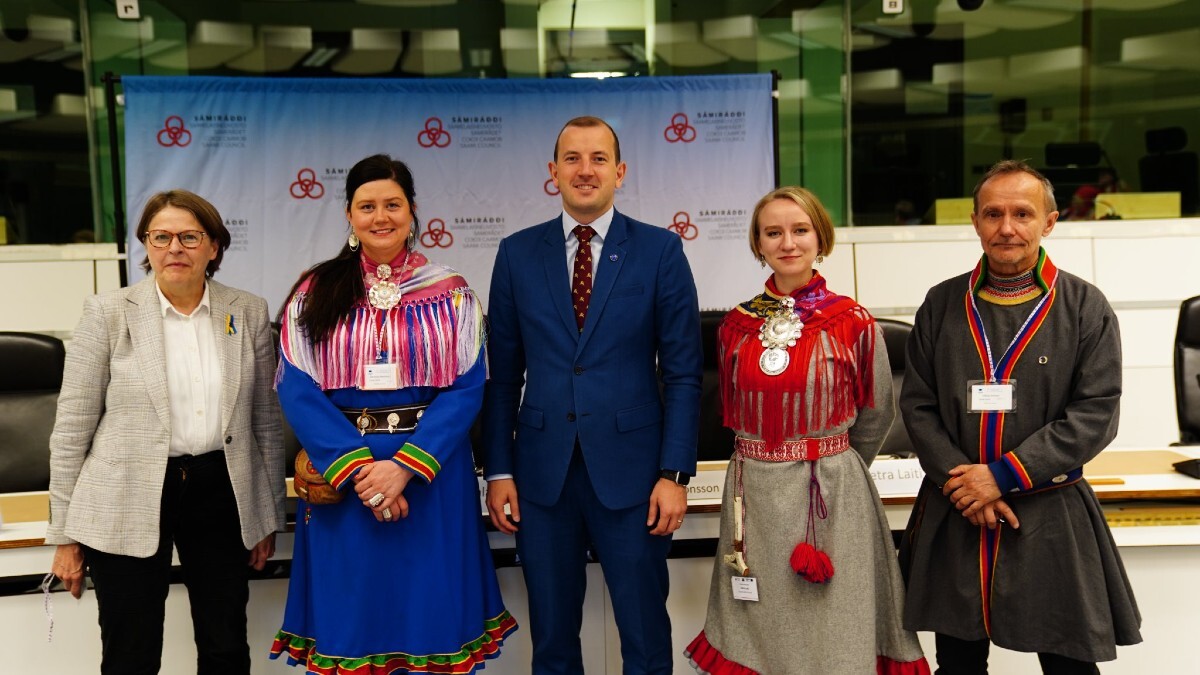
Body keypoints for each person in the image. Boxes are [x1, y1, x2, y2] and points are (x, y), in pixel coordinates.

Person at [269, 154, 515, 674]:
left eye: (392, 205)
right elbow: (297, 389)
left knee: (432, 617)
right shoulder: (314, 291)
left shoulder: (451, 292)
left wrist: (403, 467)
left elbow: (468, 388)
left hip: (429, 476)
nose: (380, 217)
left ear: (412, 210)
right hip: (347, 482)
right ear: (349, 216)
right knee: (353, 621)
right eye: (367, 206)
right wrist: (363, 472)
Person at [898, 160, 1142, 674]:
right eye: (993, 213)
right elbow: (918, 407)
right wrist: (967, 486)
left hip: (1049, 510)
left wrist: (1001, 477)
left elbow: (1096, 413)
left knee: (1068, 664)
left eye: (1022, 214)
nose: (1006, 227)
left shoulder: (1083, 307)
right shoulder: (941, 305)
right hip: (957, 511)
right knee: (958, 664)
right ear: (975, 221)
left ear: (1049, 222)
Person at [481, 115, 703, 674]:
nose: (586, 170)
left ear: (620, 171)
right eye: (573, 159)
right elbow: (503, 377)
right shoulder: (515, 254)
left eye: (598, 158)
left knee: (645, 635)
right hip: (541, 479)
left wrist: (675, 474)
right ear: (552, 172)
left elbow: (682, 374)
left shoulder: (659, 252)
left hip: (636, 478)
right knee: (552, 640)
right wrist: (499, 471)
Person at [684, 187, 929, 675]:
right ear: (758, 244)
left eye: (800, 230)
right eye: (773, 232)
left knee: (834, 622)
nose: (787, 242)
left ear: (821, 238)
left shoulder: (854, 323)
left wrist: (829, 459)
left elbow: (877, 414)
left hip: (831, 496)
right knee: (761, 620)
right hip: (754, 493)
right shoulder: (735, 327)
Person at [46, 189, 286, 674]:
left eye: (190, 237)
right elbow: (72, 425)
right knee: (130, 652)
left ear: (213, 246)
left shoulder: (248, 311)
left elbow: (264, 420)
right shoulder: (107, 313)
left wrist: (266, 515)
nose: (175, 248)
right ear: (147, 246)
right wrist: (64, 535)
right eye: (161, 237)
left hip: (220, 490)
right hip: (126, 492)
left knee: (224, 645)